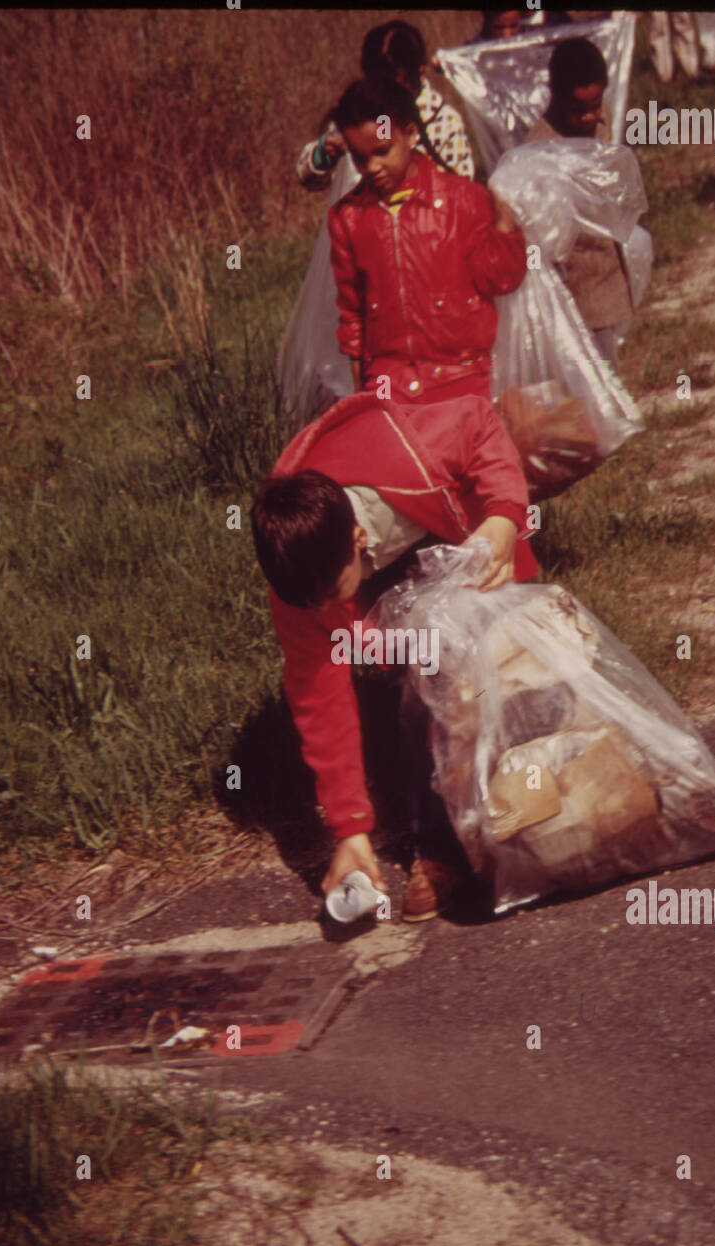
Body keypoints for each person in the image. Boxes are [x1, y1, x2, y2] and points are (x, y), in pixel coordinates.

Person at [251, 391, 537, 921]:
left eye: (331, 594)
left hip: (469, 548)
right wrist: (351, 830)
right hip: (394, 594)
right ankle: (443, 849)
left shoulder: (411, 452)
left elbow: (476, 420)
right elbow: (321, 702)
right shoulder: (301, 580)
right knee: (425, 693)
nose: (320, 610)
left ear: (359, 537)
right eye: (308, 603)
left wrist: (503, 514)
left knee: (523, 676)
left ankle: (542, 793)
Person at [328, 76, 527, 405]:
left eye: (382, 151)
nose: (372, 167)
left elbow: (500, 278)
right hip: (387, 382)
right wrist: (363, 395)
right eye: (360, 159)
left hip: (463, 374)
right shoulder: (348, 218)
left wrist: (505, 229)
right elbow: (352, 314)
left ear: (410, 133)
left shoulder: (462, 199)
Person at [526, 36, 634, 370]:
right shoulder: (541, 147)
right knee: (594, 368)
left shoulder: (602, 118)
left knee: (605, 357)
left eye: (595, 105)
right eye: (578, 110)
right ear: (556, 97)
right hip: (574, 277)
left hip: (606, 261)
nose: (589, 116)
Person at [296, 20, 474, 192]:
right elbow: (309, 180)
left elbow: (463, 192)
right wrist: (325, 154)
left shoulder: (444, 123)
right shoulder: (358, 113)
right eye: (378, 85)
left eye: (396, 87)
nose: (387, 96)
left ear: (420, 73)